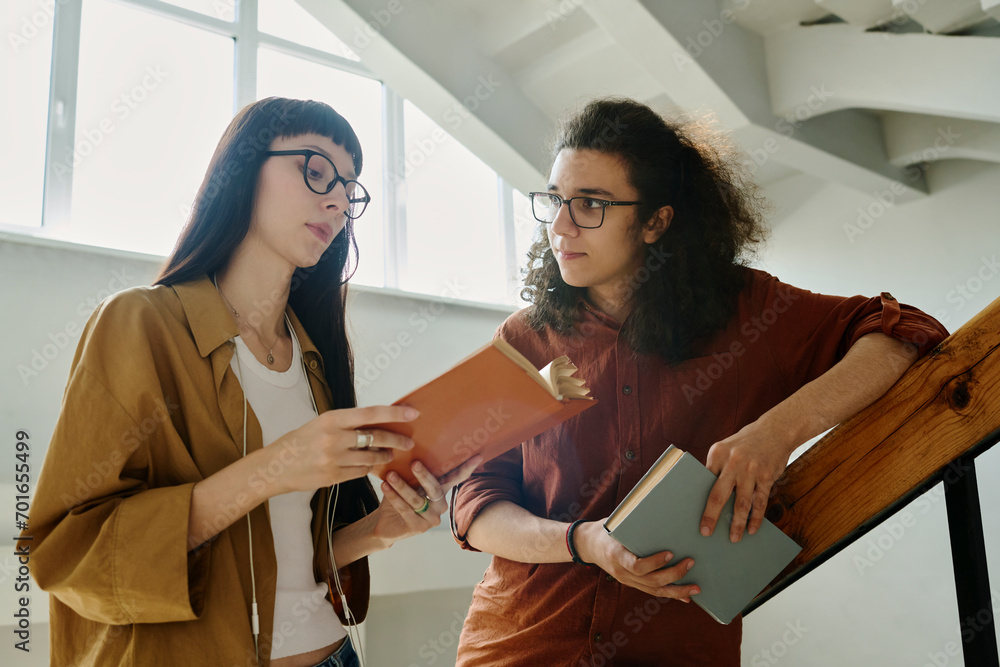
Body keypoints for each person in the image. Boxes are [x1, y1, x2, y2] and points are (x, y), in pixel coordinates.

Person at [451, 98, 949, 666]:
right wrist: (583, 542)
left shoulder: (749, 312)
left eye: (590, 204)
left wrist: (777, 432)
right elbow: (475, 503)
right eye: (555, 200)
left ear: (657, 221)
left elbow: (904, 332)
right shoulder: (523, 337)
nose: (560, 227)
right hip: (517, 647)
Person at [21, 97, 481, 667]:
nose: (338, 200)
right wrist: (274, 467)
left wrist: (382, 528)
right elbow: (65, 555)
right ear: (243, 168)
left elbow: (283, 559)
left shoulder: (314, 355)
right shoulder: (139, 323)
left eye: (350, 190)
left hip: (335, 656)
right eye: (315, 170)